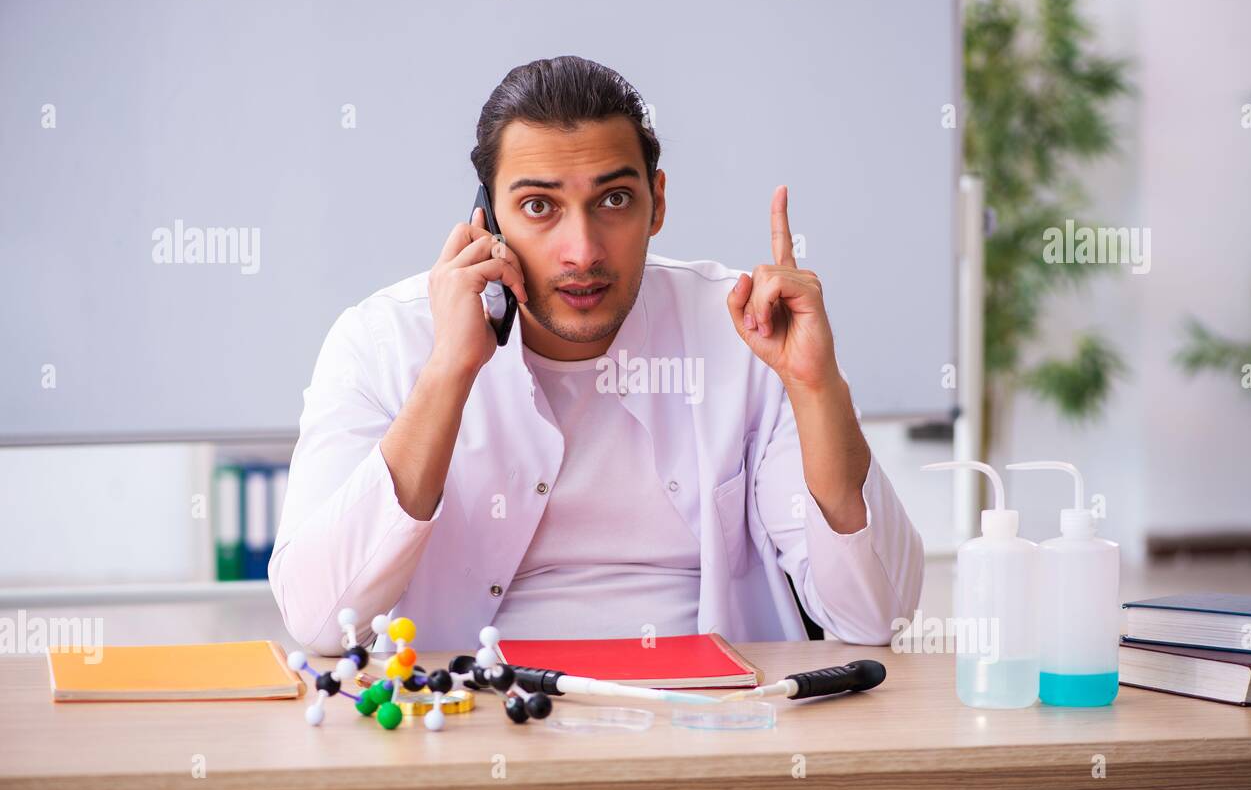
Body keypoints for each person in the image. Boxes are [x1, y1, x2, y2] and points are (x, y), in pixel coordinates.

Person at [269, 55, 924, 653]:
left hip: (711, 732)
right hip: (475, 726)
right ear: (487, 220)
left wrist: (817, 388)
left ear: (656, 202)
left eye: (613, 200)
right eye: (538, 206)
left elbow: (876, 618)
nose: (581, 250)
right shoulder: (383, 341)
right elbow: (323, 620)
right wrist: (449, 370)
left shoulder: (749, 330)